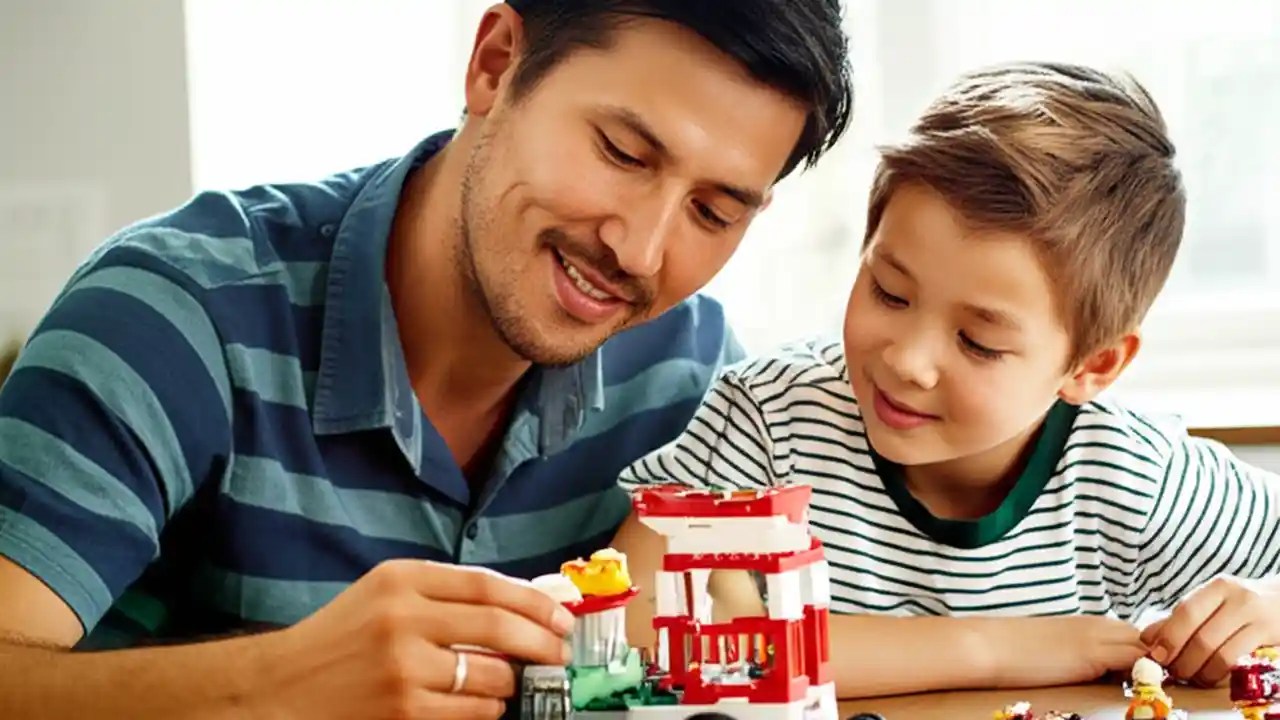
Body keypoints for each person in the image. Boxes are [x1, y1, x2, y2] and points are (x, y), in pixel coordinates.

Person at [0, 1, 853, 717]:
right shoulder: (174, 313)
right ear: (495, 63)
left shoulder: (688, 371)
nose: (642, 251)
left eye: (713, 212)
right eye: (623, 154)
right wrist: (279, 683)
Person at [612, 60, 1280, 699]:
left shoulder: (1133, 475)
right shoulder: (771, 421)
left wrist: (1266, 607)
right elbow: (634, 625)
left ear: (1091, 366)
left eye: (978, 342)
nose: (907, 360)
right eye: (889, 292)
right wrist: (998, 649)